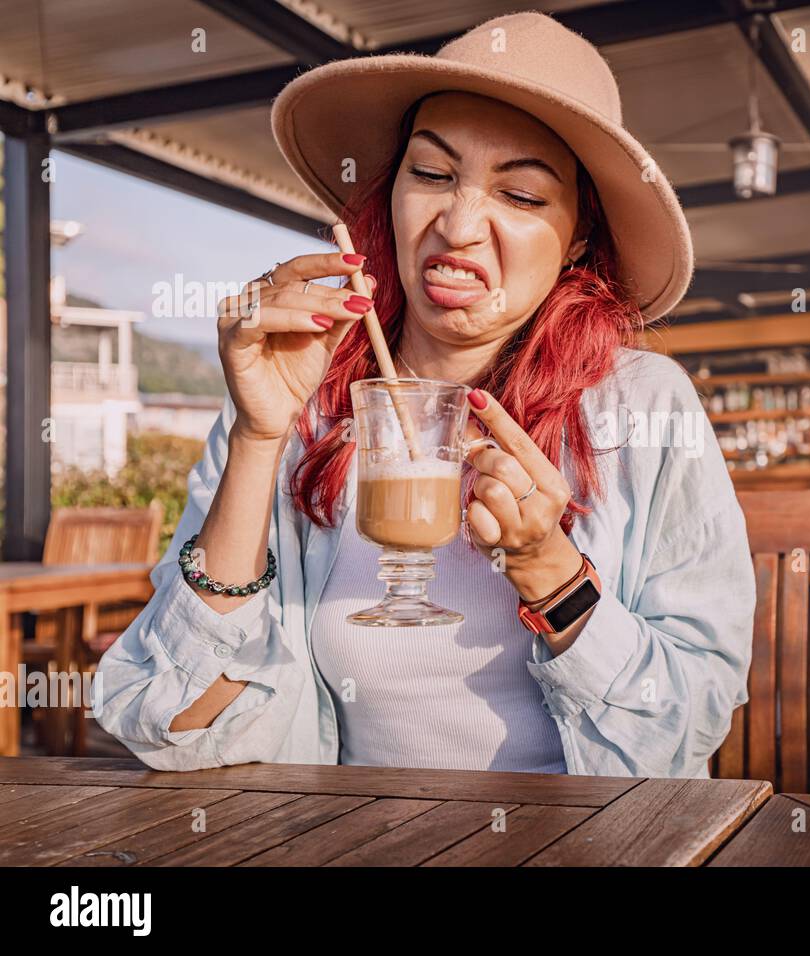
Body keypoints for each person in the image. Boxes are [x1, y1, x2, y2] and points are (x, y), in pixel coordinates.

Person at [95, 11, 756, 777]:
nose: (459, 223)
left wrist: (552, 574)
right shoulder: (300, 400)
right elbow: (173, 724)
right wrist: (255, 440)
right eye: (433, 174)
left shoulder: (640, 408)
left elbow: (692, 723)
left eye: (523, 195)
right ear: (392, 191)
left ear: (580, 236)